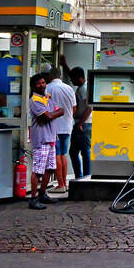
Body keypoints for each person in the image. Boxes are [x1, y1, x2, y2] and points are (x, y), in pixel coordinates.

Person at [26, 72, 63, 209]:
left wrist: (55, 113)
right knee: (38, 170)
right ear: (33, 86)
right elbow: (47, 116)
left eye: (43, 83)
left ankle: (43, 193)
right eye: (38, 83)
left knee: (50, 168)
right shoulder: (35, 100)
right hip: (42, 139)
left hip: (52, 138)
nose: (42, 85)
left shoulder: (47, 97)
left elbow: (54, 112)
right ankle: (34, 198)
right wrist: (57, 113)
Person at [45, 64, 77, 192]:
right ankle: (64, 183)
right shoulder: (69, 88)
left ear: (50, 76)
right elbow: (74, 108)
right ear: (61, 76)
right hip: (67, 126)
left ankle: (60, 185)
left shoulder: (48, 88)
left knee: (56, 155)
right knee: (63, 154)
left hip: (54, 127)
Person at [62, 59, 92, 179]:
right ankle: (79, 176)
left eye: (73, 79)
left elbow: (89, 107)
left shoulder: (84, 89)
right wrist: (65, 65)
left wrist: (81, 123)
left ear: (79, 78)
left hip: (84, 124)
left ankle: (85, 176)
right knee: (74, 152)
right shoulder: (82, 87)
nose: (71, 81)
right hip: (80, 123)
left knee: (84, 151)